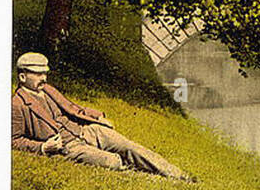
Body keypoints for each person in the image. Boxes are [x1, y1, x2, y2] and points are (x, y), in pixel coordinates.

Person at [11, 52, 191, 179]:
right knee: (111, 161)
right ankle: (137, 170)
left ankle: (177, 174)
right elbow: (14, 140)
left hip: (86, 131)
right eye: (37, 73)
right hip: (68, 146)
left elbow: (73, 108)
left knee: (129, 146)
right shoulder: (17, 104)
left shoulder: (47, 89)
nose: (43, 78)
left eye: (44, 73)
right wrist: (43, 147)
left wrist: (97, 118)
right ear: (23, 77)